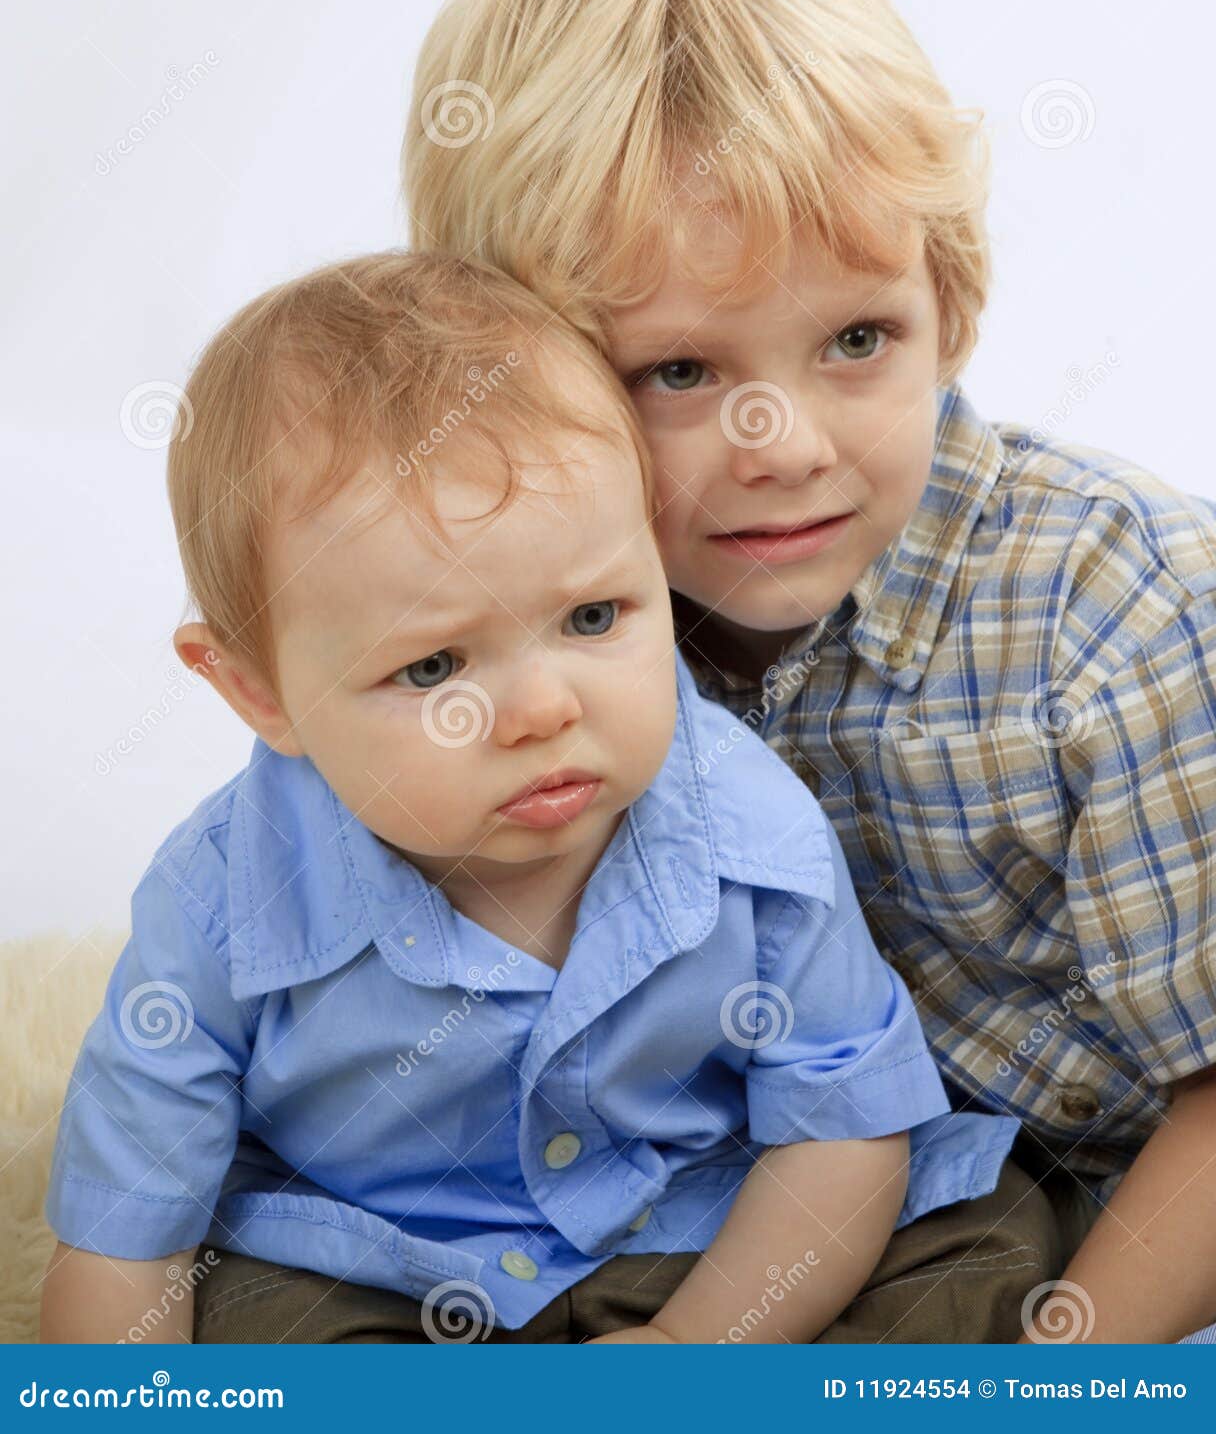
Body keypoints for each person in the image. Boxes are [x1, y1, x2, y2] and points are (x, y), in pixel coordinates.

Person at [402, 0, 1216, 1343]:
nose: (778, 441)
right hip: (898, 1213)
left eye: (855, 339)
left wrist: (1049, 1371)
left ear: (946, 304)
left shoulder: (1110, 607)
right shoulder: (562, 640)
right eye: (677, 369)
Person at [39, 252, 1034, 1345]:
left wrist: (693, 1348)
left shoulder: (750, 828)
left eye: (597, 617)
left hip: (696, 1234)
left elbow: (839, 1131)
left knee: (985, 1244)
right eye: (431, 670)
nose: (540, 708)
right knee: (240, 1327)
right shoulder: (217, 898)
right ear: (257, 689)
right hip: (374, 1264)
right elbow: (128, 1238)